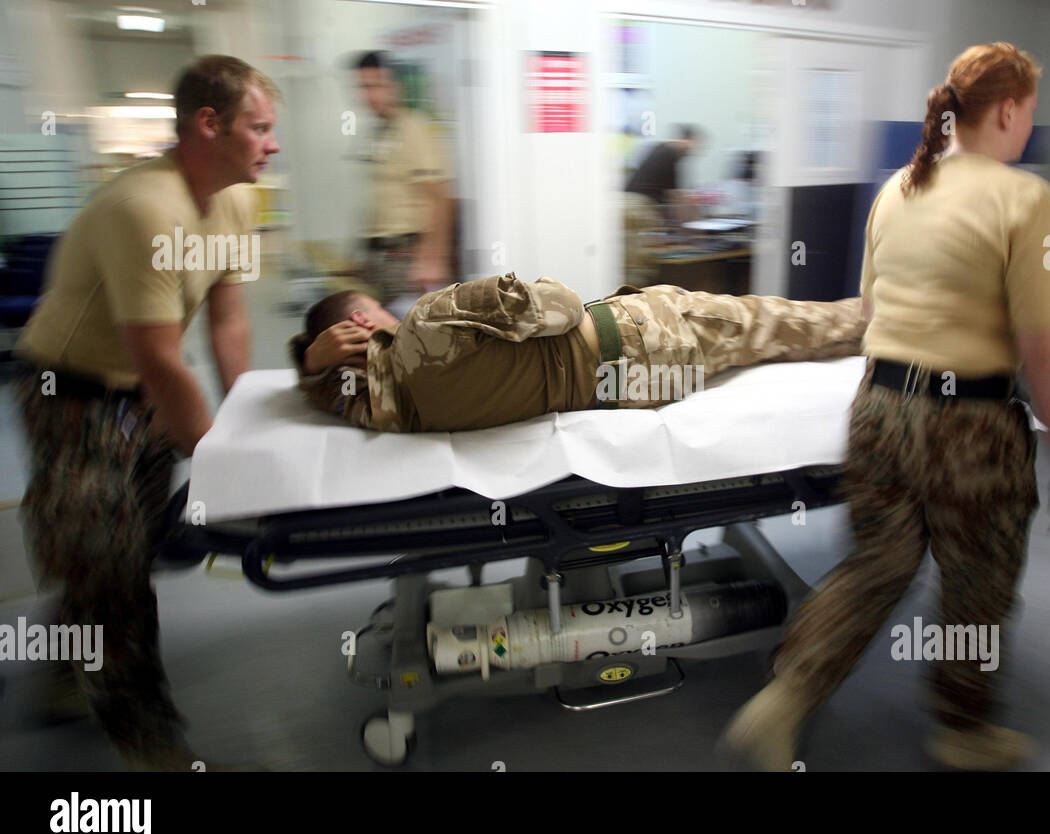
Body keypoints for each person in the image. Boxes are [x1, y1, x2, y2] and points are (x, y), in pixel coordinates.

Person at [721, 42, 1050, 771]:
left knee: (878, 563)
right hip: (971, 427)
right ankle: (961, 728)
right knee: (978, 581)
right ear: (1010, 111)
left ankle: (784, 700)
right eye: (1028, 113)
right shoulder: (1028, 199)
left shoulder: (897, 189)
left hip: (880, 408)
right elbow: (1045, 349)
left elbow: (870, 308)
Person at [14, 55, 277, 770]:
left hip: (140, 388)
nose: (272, 143)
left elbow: (226, 320)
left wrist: (240, 427)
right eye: (260, 128)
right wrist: (222, 461)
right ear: (208, 124)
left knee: (129, 548)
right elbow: (163, 358)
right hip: (68, 394)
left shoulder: (233, 198)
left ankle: (69, 667)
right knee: (115, 567)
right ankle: (154, 753)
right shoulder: (143, 207)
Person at [289, 274, 865, 432]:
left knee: (763, 348)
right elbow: (561, 305)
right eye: (376, 308)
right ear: (364, 322)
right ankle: (890, 323)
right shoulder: (426, 323)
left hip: (629, 394)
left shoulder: (386, 410)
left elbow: (323, 396)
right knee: (783, 323)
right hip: (645, 339)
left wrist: (313, 364)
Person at [354, 50, 455, 311]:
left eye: (375, 86)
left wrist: (434, 258)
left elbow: (440, 196)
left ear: (394, 87)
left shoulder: (414, 128)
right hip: (384, 256)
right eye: (363, 87)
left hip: (409, 255)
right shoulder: (380, 131)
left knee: (411, 338)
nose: (368, 96)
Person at [622, 125, 702, 285]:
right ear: (688, 140)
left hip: (627, 203)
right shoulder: (672, 154)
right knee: (641, 268)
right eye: (696, 145)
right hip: (637, 207)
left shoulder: (660, 148)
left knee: (631, 262)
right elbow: (676, 198)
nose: (694, 151)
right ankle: (637, 302)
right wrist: (692, 230)